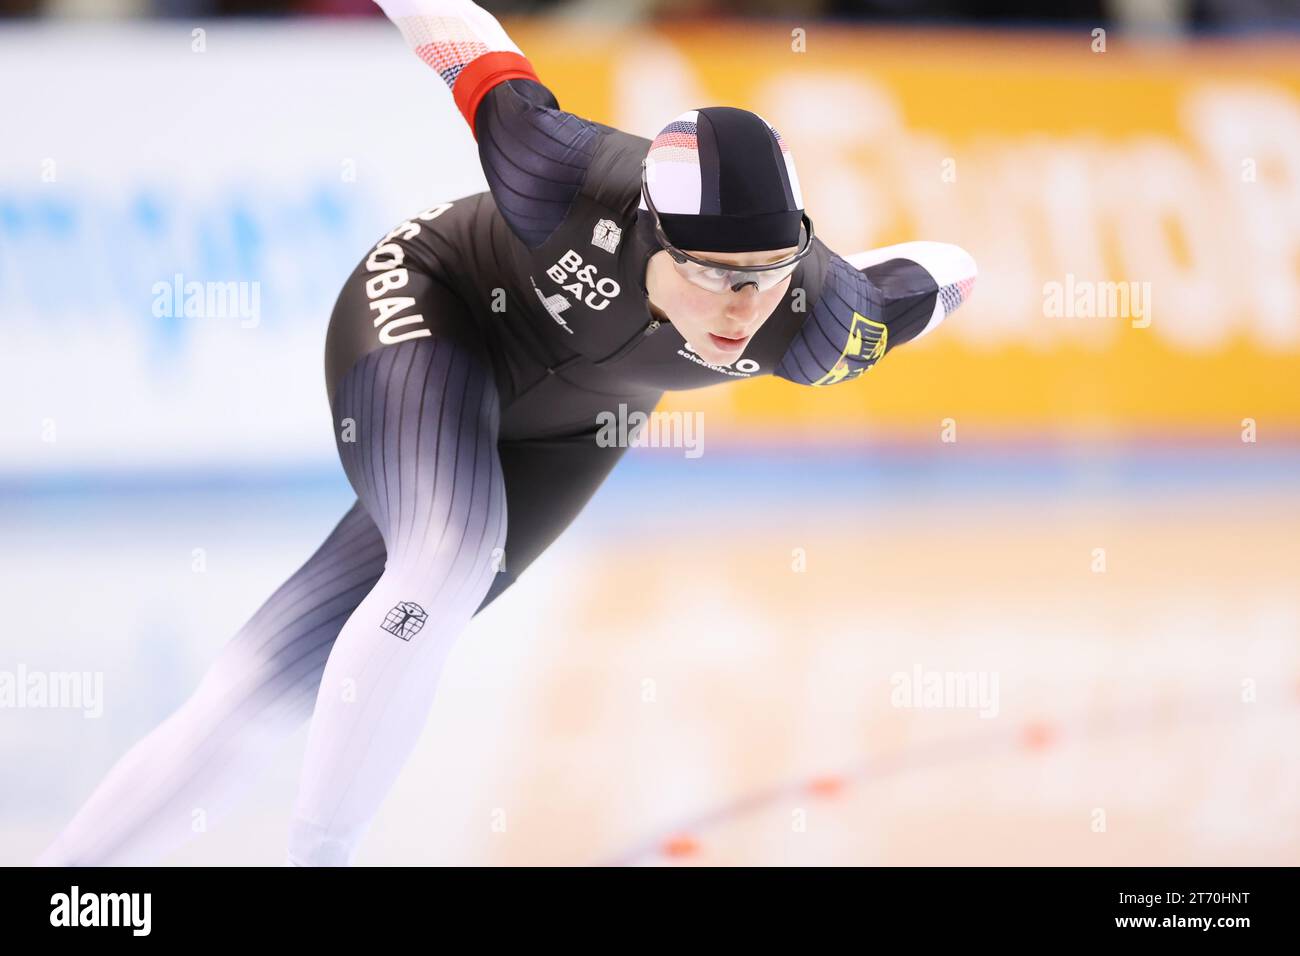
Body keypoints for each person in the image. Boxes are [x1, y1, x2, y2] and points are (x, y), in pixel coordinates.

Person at [35, 0, 976, 867]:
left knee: (269, 684)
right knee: (444, 557)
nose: (743, 307)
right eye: (714, 272)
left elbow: (942, 272)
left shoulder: (814, 319)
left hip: (572, 430)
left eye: (767, 271)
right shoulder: (557, 171)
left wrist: (884, 281)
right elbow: (452, 23)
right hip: (433, 308)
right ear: (650, 230)